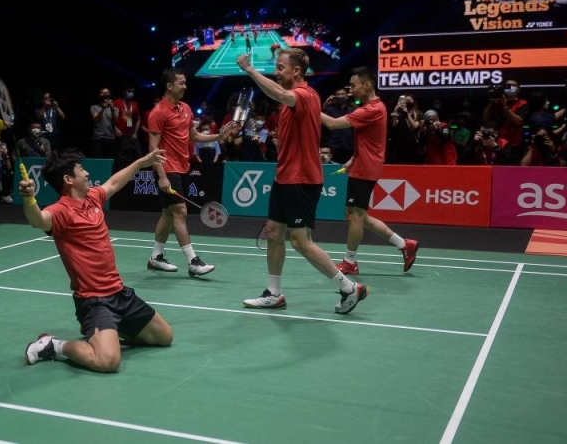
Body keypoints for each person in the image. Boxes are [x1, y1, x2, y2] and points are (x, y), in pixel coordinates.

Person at [236, 50, 368, 314]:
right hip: (285, 177)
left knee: (300, 241)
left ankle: (348, 287)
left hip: (302, 178)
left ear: (296, 71)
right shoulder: (291, 101)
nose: (277, 71)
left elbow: (281, 94)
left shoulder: (305, 95)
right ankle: (274, 293)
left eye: (281, 67)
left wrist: (250, 70)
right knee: (274, 232)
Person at [20, 147, 174, 373]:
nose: (87, 174)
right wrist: (29, 199)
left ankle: (108, 333)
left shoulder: (93, 198)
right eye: (81, 170)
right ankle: (54, 345)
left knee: (164, 336)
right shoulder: (60, 211)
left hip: (119, 293)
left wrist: (143, 161)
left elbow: (114, 182)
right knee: (108, 362)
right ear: (68, 179)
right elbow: (39, 220)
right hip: (94, 301)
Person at [321, 66, 420, 276]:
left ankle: (350, 262)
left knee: (355, 216)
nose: (351, 90)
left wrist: (308, 105)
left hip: (365, 168)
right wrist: (353, 158)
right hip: (364, 164)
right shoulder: (378, 106)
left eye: (354, 85)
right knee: (361, 216)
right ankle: (405, 245)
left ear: (366, 85)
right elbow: (370, 140)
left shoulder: (371, 110)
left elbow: (332, 124)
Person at [145, 67, 232, 277]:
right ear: (169, 86)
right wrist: (162, 176)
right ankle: (193, 261)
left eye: (185, 82)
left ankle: (156, 257)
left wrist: (218, 136)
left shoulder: (185, 108)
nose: (185, 86)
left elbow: (193, 137)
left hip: (183, 166)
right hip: (168, 168)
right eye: (181, 83)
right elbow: (152, 149)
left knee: (167, 214)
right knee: (180, 212)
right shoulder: (158, 113)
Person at [90, 87, 120, 159]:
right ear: (99, 96)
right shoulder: (94, 107)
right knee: (98, 159)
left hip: (111, 136)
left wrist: (112, 109)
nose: (105, 95)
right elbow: (96, 120)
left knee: (110, 159)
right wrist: (103, 108)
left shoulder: (115, 108)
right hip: (98, 137)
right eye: (103, 93)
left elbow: (115, 121)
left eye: (107, 93)